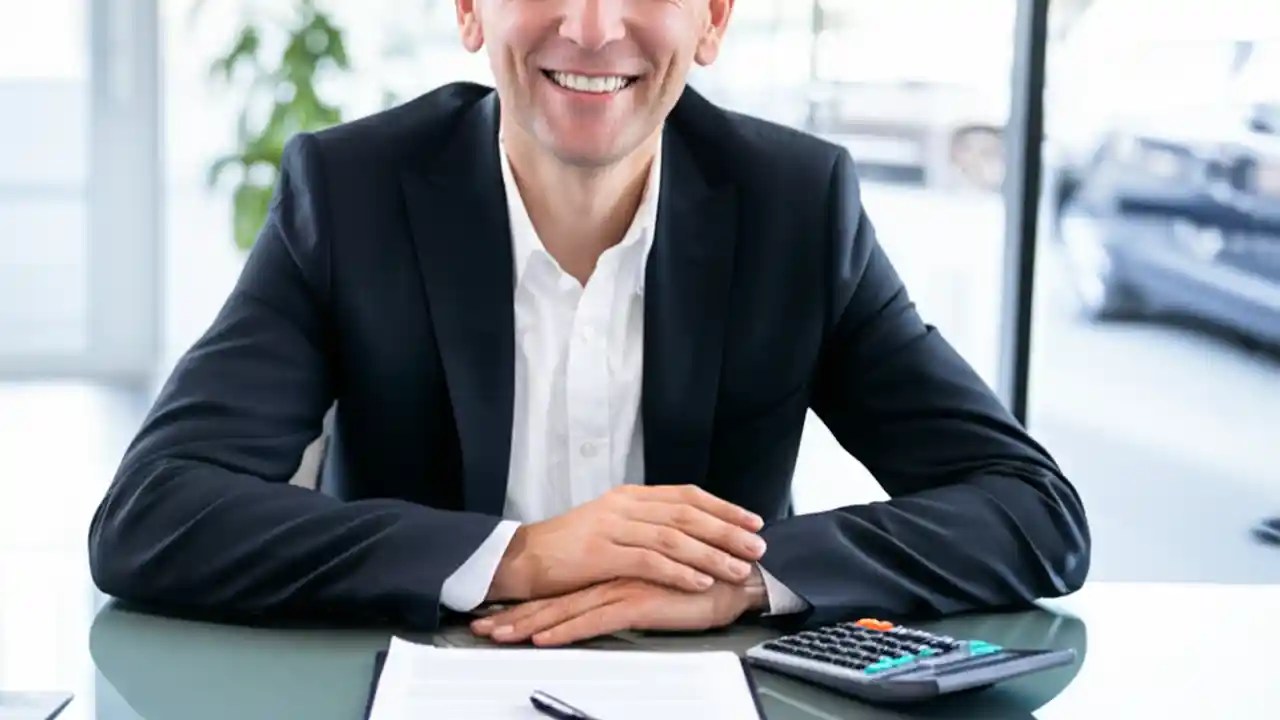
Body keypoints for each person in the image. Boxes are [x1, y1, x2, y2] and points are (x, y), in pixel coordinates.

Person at [88, 0, 1090, 646]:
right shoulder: (349, 194)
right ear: (471, 11)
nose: (593, 26)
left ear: (711, 20)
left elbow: (1030, 511)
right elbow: (155, 516)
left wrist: (744, 581)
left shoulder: (795, 205)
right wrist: (519, 556)